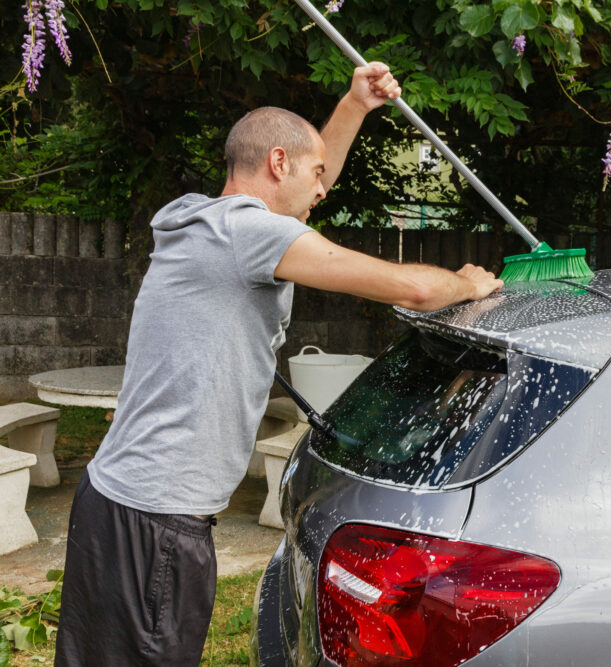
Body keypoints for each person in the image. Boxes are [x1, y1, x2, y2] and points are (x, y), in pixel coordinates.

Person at [54, 62, 503, 666]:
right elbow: (410, 289)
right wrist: (464, 283)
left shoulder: (204, 219)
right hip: (155, 524)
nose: (324, 189)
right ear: (277, 164)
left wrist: (354, 104)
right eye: (315, 174)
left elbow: (305, 192)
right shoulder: (248, 234)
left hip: (119, 504)